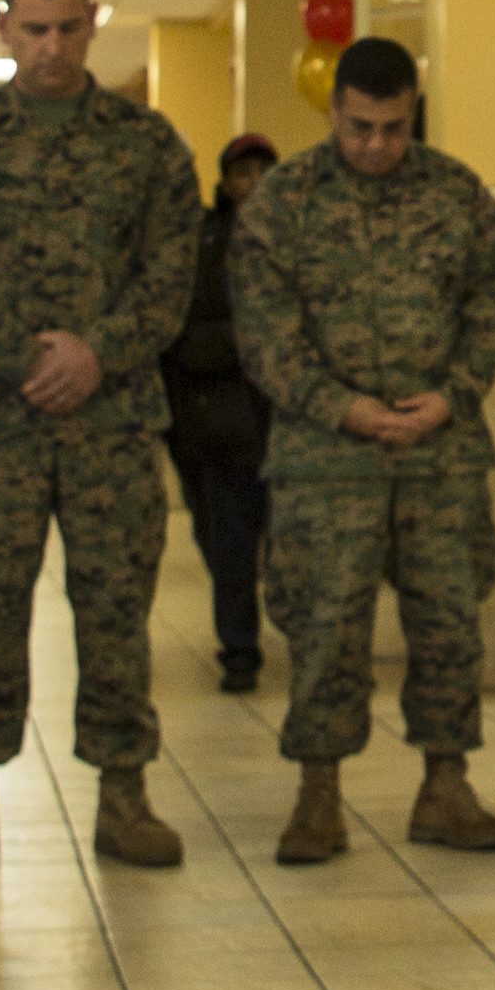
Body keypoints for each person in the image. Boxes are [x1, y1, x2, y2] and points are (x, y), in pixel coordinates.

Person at [0, 0, 202, 876]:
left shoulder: (148, 147)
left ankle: (124, 792)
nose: (51, 47)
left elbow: (171, 274)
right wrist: (26, 355)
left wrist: (97, 352)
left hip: (111, 423)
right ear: (4, 28)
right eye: (32, 29)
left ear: (93, 22)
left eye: (69, 27)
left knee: (116, 611)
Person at [236, 45, 495, 865]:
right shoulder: (284, 201)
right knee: (325, 625)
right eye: (359, 127)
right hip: (326, 457)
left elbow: (486, 308)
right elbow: (264, 330)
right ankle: (318, 795)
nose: (374, 145)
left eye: (393, 128)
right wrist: (342, 408)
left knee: (450, 623)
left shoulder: (457, 194)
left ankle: (446, 785)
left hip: (441, 453)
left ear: (413, 111)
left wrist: (454, 393)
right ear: (333, 112)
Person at [169, 133, 283, 692]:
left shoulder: (298, 236)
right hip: (222, 421)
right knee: (229, 541)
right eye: (243, 173)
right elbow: (182, 330)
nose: (253, 183)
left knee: (292, 538)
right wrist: (244, 341)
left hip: (288, 416)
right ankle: (240, 648)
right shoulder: (204, 243)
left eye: (264, 171)